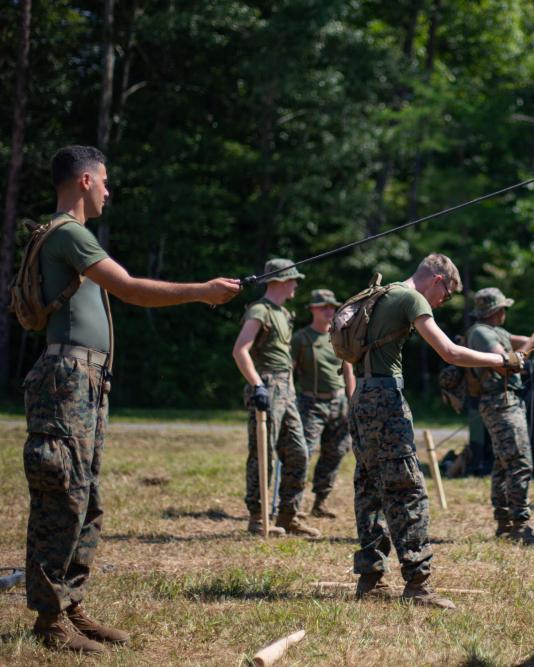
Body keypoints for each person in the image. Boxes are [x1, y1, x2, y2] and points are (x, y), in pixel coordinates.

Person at [22, 145, 240, 654]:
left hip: (85, 380)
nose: (107, 189)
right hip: (67, 378)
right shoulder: (69, 234)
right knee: (63, 494)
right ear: (82, 181)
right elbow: (131, 289)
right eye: (103, 180)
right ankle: (50, 620)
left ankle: (71, 606)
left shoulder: (71, 236)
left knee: (87, 497)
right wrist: (202, 290)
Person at [350, 254, 513, 610]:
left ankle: (370, 579)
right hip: (385, 399)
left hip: (361, 396)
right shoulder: (412, 298)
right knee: (408, 490)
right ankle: (418, 585)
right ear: (438, 279)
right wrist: (501, 361)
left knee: (369, 485)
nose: (443, 302)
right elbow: (450, 352)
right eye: (448, 293)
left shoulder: (380, 293)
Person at [232, 258, 320, 539]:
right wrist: (257, 385)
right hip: (268, 385)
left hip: (287, 387)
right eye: (293, 279)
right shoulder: (260, 310)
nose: (296, 284)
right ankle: (258, 518)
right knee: (263, 454)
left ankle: (288, 515)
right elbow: (240, 351)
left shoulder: (283, 312)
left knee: (298, 452)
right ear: (281, 281)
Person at [465, 287, 534, 543]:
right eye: (503, 309)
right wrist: (533, 340)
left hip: (506, 402)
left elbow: (527, 340)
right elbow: (507, 364)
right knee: (519, 463)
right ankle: (519, 526)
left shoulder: (495, 332)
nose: (505, 313)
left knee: (504, 463)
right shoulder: (481, 333)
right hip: (500, 404)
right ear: (495, 311)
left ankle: (505, 522)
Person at [291, 289, 356, 519]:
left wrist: (353, 400)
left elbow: (348, 369)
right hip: (311, 404)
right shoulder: (301, 338)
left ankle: (320, 502)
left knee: (335, 452)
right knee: (303, 453)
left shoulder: (339, 335)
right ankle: (291, 506)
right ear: (312, 309)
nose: (329, 311)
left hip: (339, 403)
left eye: (332, 307)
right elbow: (290, 369)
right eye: (323, 307)